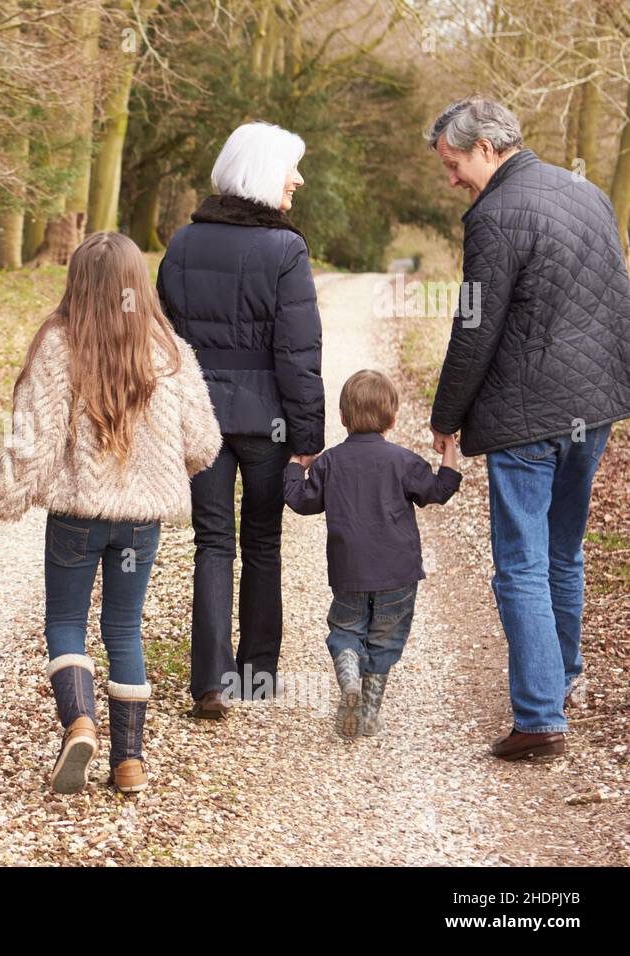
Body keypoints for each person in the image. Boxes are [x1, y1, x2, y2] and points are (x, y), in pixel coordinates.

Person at [0, 232, 222, 795]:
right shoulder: (166, 347)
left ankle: (80, 724)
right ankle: (129, 763)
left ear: (76, 282)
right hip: (140, 521)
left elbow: (34, 445)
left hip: (78, 517)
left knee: (65, 622)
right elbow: (203, 443)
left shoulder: (59, 344)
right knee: (125, 629)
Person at [425, 96, 630, 761]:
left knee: (520, 563)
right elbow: (617, 296)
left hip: (528, 417)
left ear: (486, 147)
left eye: (454, 164)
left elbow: (475, 324)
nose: (451, 179)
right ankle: (560, 676)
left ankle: (540, 717)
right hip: (592, 410)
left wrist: (446, 416)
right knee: (563, 552)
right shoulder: (588, 192)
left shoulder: (494, 215)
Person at [156, 121, 325, 717]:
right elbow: (297, 354)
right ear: (261, 173)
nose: (298, 180)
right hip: (267, 424)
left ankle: (209, 679)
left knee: (212, 542)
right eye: (290, 169)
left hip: (200, 416)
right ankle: (257, 674)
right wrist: (308, 436)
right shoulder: (286, 249)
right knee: (262, 540)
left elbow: (165, 342)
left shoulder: (181, 244)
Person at [284, 370, 460, 738]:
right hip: (398, 575)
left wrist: (295, 466)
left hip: (350, 572)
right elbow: (440, 490)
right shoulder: (404, 461)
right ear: (393, 420)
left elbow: (300, 501)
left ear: (343, 418)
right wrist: (450, 451)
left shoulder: (329, 462)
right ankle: (368, 712)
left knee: (347, 630)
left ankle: (348, 676)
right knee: (385, 639)